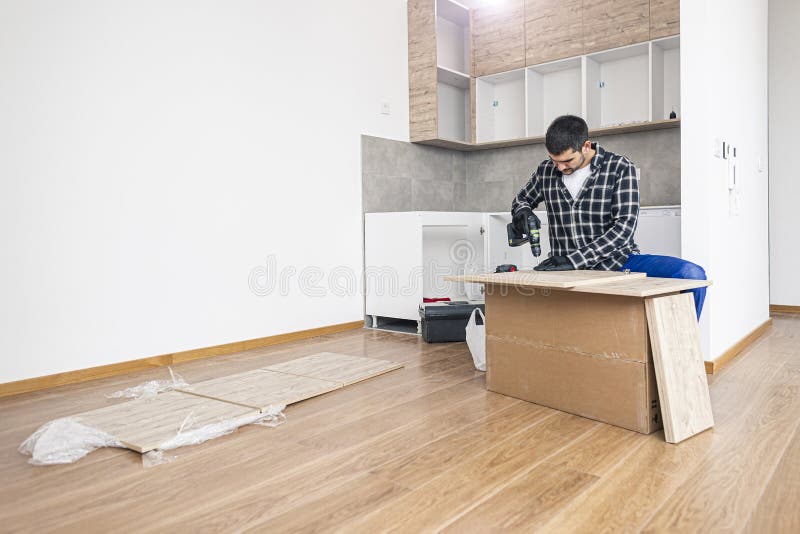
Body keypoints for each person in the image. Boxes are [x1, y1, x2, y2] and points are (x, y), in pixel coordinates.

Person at [511, 115, 707, 318]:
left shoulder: (619, 168)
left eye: (567, 160)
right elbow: (521, 199)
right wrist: (522, 211)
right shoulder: (546, 171)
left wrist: (574, 259)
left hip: (618, 264)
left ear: (586, 146)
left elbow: (624, 229)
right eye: (555, 161)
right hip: (565, 271)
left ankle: (680, 347)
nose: (560, 168)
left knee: (692, 275)